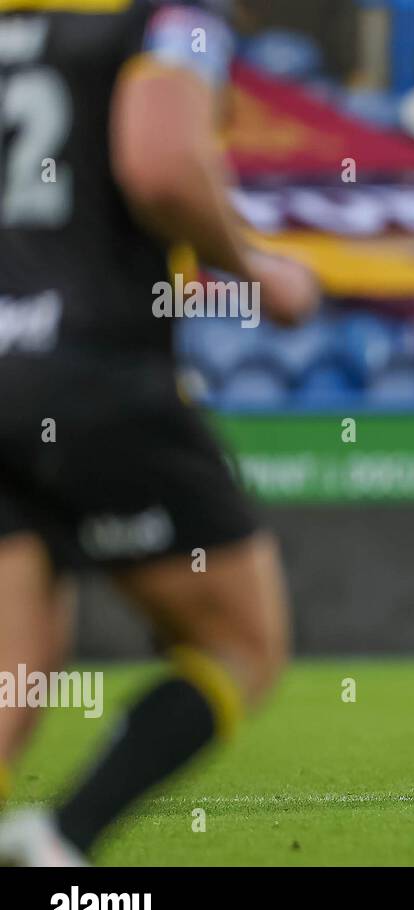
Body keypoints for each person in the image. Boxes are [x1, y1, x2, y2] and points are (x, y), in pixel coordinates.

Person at [0, 0, 319, 864]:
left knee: (16, 669)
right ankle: (64, 840)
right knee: (237, 643)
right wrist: (260, 272)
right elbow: (163, 168)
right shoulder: (172, 18)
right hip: (88, 367)